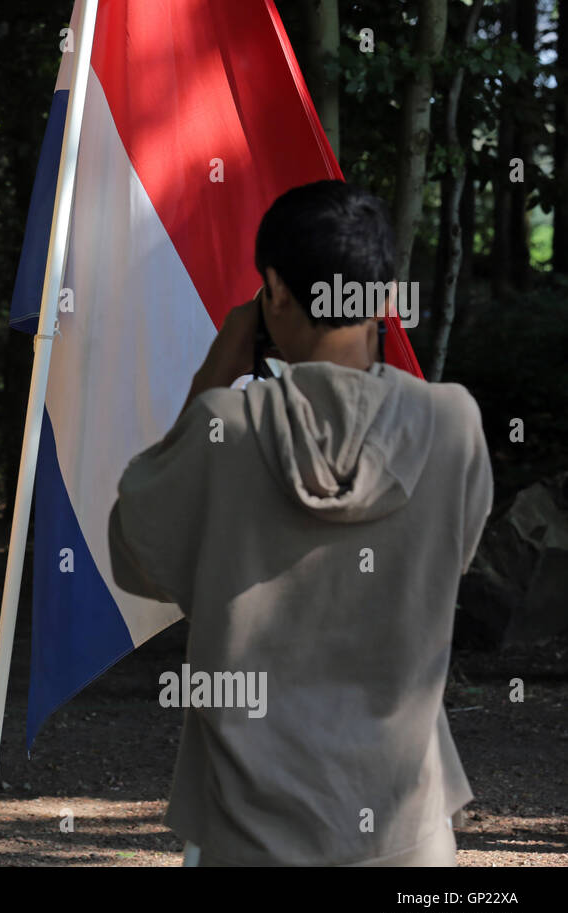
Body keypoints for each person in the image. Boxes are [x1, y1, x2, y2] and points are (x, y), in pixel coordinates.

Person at [108, 180, 494, 866]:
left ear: (275, 291)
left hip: (249, 827)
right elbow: (448, 560)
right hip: (404, 822)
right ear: (380, 296)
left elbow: (135, 552)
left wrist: (215, 377)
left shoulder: (225, 429)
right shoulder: (453, 422)